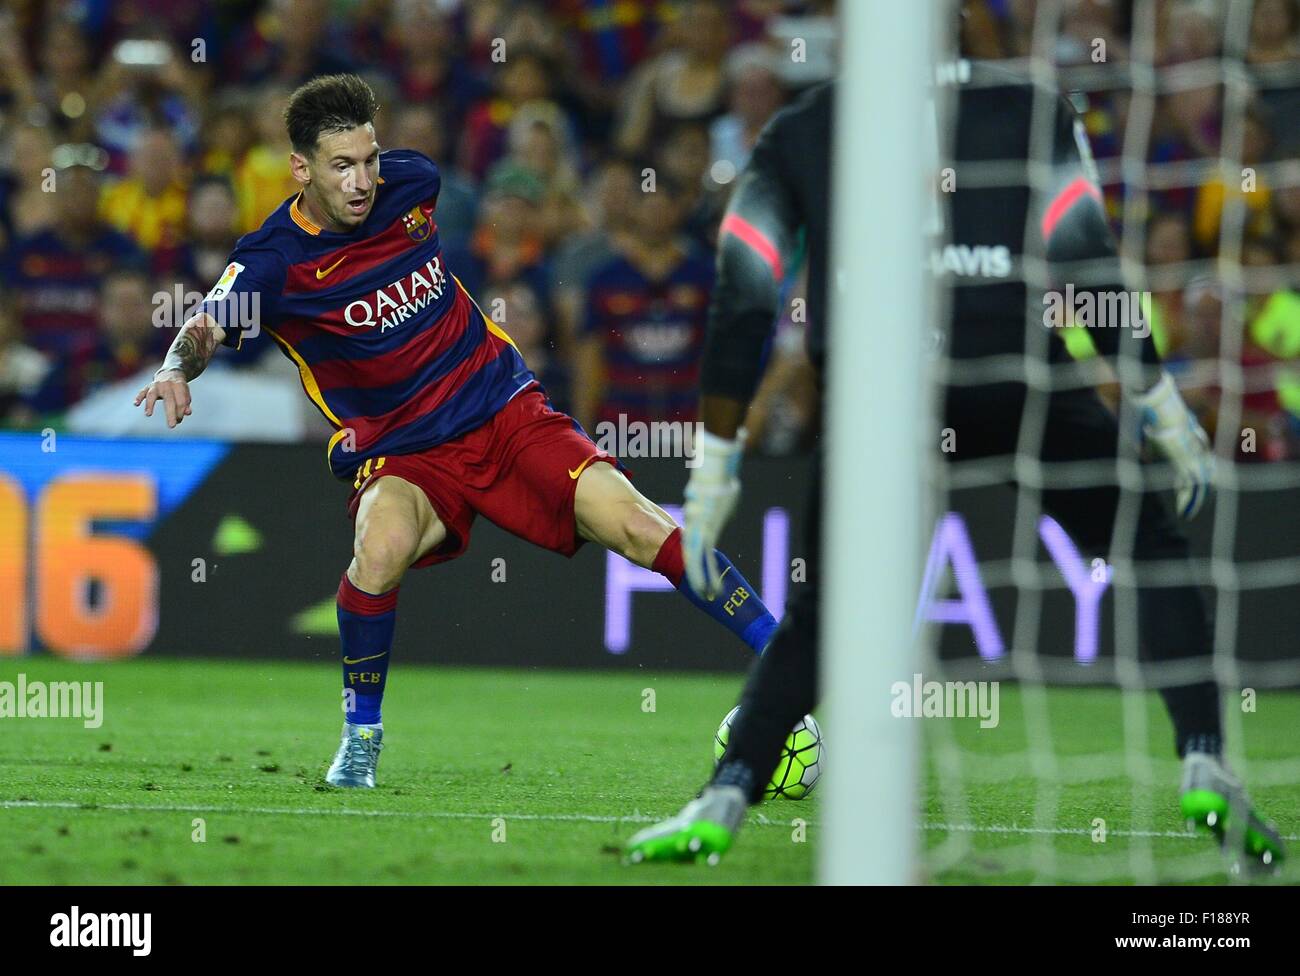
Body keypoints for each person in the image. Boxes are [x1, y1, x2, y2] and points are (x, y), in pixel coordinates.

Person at [625, 66, 1285, 869]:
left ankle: (724, 797)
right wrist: (1159, 404)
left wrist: (717, 465)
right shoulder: (1028, 107)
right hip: (1016, 379)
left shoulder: (802, 129)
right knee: (1150, 547)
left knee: (824, 616)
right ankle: (1205, 755)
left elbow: (747, 292)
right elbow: (1089, 264)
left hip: (881, 399)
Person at [131, 73, 779, 789]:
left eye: (369, 159)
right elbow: (207, 323)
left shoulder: (415, 184)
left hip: (502, 409)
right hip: (404, 451)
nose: (362, 180)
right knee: (378, 552)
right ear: (301, 169)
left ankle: (783, 661)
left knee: (639, 526)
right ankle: (360, 738)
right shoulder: (273, 259)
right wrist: (174, 371)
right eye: (340, 166)